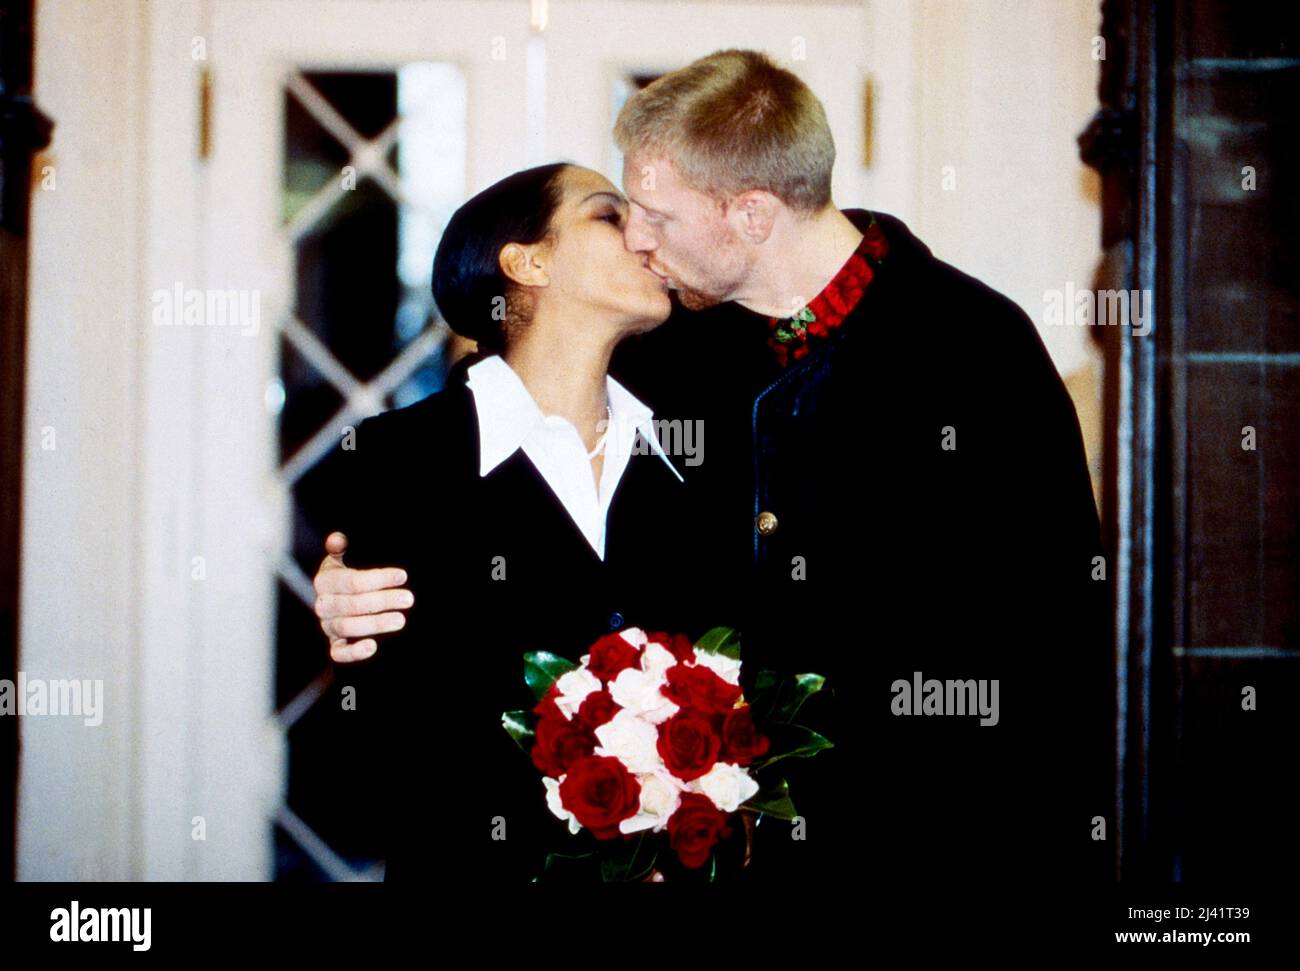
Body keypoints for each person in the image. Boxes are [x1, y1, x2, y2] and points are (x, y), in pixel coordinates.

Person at [318, 50, 1113, 902]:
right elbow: (503, 396)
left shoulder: (975, 350)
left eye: (653, 214)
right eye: (619, 214)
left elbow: (1061, 648)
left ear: (751, 212)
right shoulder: (669, 348)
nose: (638, 240)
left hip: (922, 861)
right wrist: (348, 589)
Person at [325, 160, 746, 883]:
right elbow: (380, 750)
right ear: (527, 261)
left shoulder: (696, 459)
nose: (644, 234)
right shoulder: (400, 460)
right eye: (609, 215)